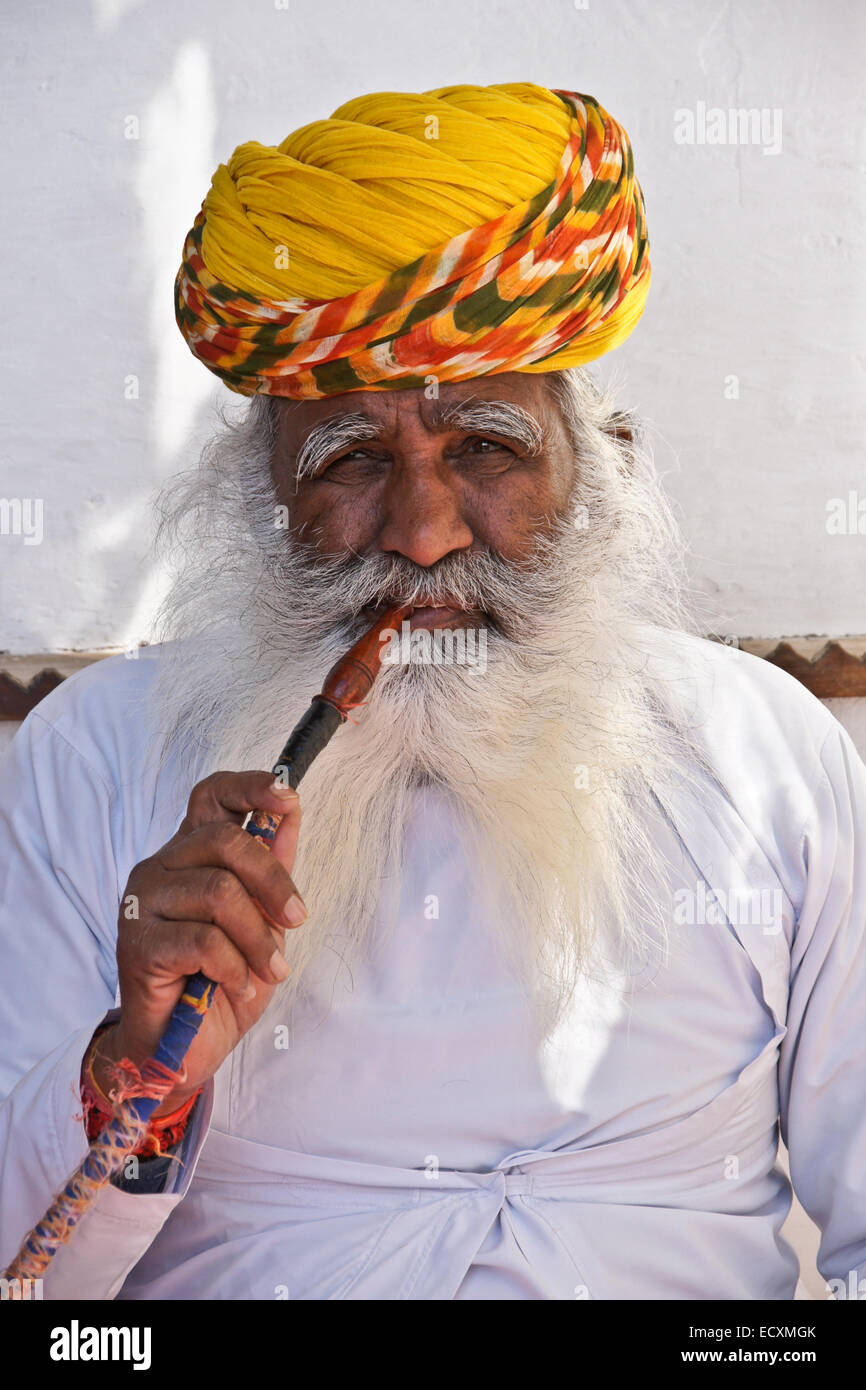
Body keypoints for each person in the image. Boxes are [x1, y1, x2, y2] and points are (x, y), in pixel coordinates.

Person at [1, 82, 863, 1302]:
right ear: (261, 501)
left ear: (598, 470)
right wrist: (129, 1064)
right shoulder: (94, 762)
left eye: (486, 447)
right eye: (349, 460)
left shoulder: (766, 757)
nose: (418, 534)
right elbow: (34, 1293)